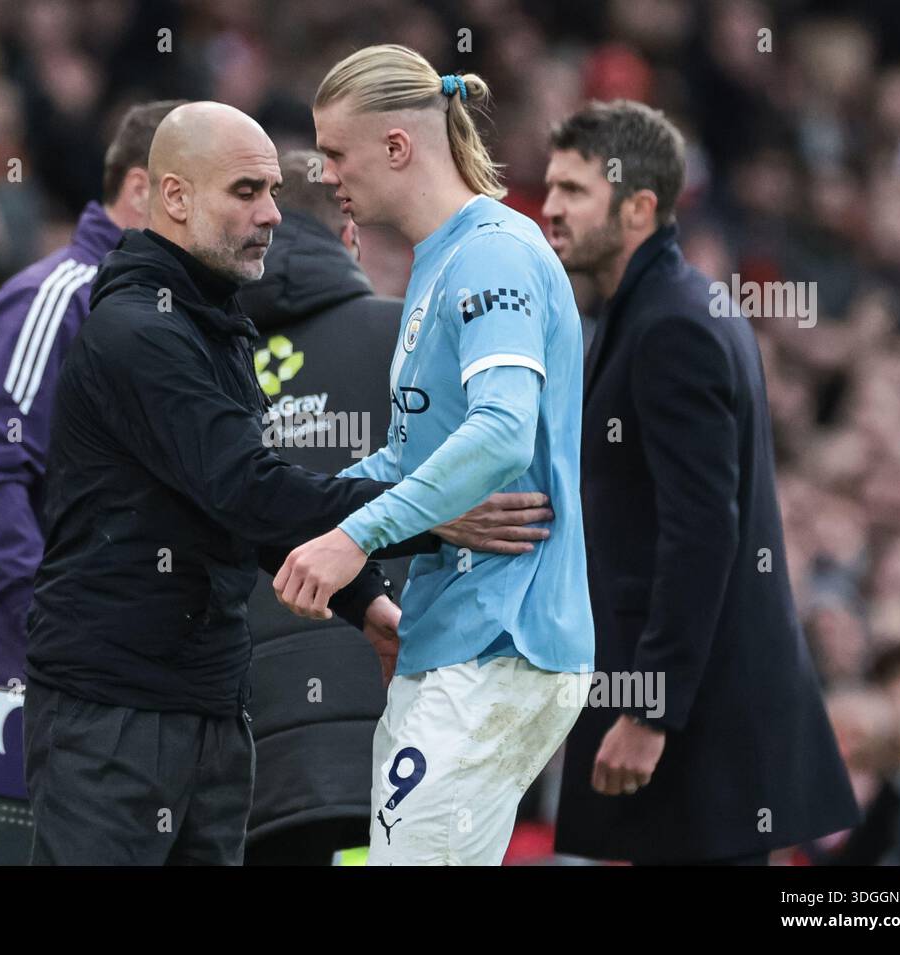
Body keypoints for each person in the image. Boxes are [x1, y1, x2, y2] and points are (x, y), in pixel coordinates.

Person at [23, 101, 526, 866]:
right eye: (246, 192)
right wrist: (434, 515)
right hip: (114, 712)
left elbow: (236, 513)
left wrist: (362, 605)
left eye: (272, 193)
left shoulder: (210, 323)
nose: (270, 215)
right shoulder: (139, 333)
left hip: (211, 705)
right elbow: (249, 490)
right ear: (175, 197)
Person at [279, 44, 595, 865]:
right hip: (446, 635)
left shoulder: (494, 251)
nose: (328, 174)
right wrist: (279, 508)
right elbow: (408, 457)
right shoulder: (437, 263)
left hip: (503, 633)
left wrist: (356, 538)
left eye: (337, 153)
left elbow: (501, 430)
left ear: (396, 146)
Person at [542, 99, 858, 864]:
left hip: (696, 734)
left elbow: (701, 531)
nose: (549, 208)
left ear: (640, 206)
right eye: (550, 187)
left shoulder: (671, 324)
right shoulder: (663, 306)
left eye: (574, 191)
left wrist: (650, 710)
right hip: (699, 722)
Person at [238, 150, 554, 865]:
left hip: (245, 750)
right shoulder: (411, 343)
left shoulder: (197, 365)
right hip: (405, 723)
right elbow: (515, 517)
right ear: (348, 231)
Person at [0, 100, 186, 689]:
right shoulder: (56, 298)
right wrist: (51, 622)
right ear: (140, 188)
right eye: (197, 193)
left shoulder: (190, 319)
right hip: (49, 676)